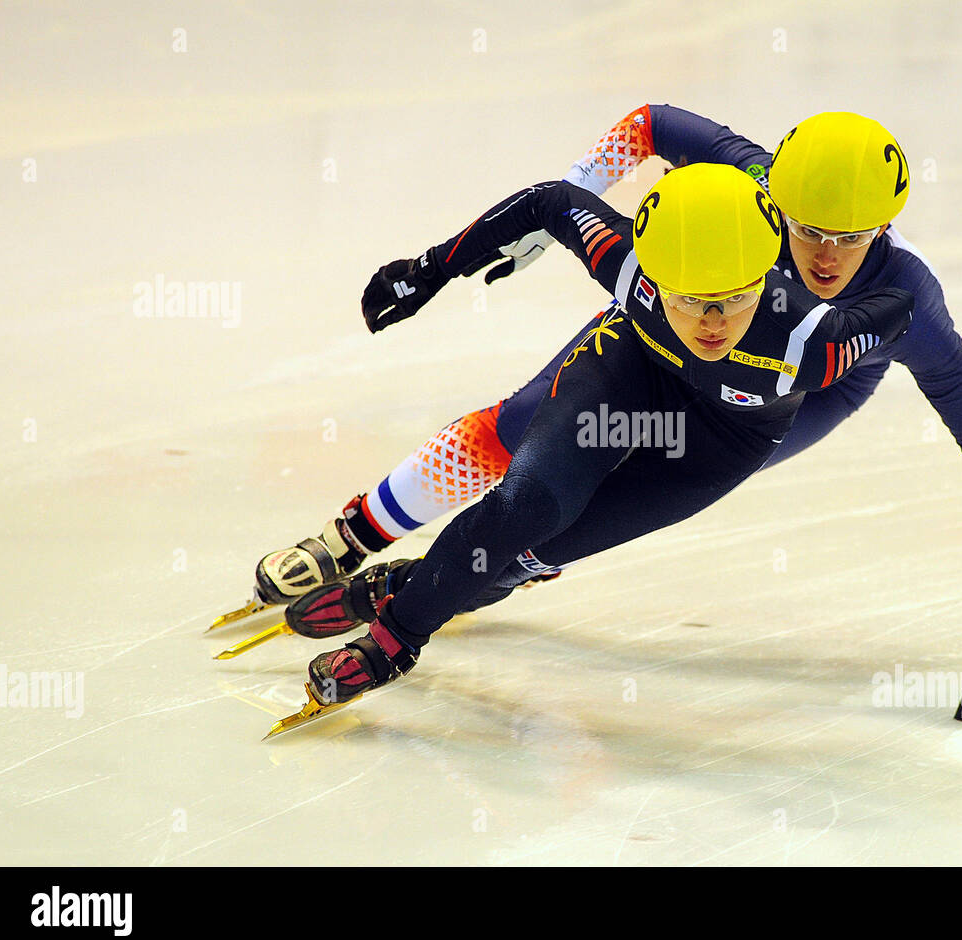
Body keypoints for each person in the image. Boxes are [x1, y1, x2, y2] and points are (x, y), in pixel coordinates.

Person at [252, 107, 962, 689]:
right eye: (805, 227)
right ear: (770, 198)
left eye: (849, 237)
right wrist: (539, 219)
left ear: (883, 231)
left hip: (770, 400)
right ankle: (356, 533)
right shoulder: (734, 197)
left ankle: (437, 584)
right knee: (521, 438)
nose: (824, 254)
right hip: (664, 327)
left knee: (555, 539)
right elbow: (644, 126)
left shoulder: (896, 309)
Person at [283, 162, 915, 711]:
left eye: (736, 298)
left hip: (715, 443)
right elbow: (552, 202)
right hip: (631, 372)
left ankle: (409, 585)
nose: (714, 323)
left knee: (533, 556)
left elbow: (907, 306)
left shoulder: (817, 340)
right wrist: (430, 269)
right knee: (524, 508)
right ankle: (395, 637)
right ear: (654, 276)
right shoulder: (630, 268)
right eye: (692, 299)